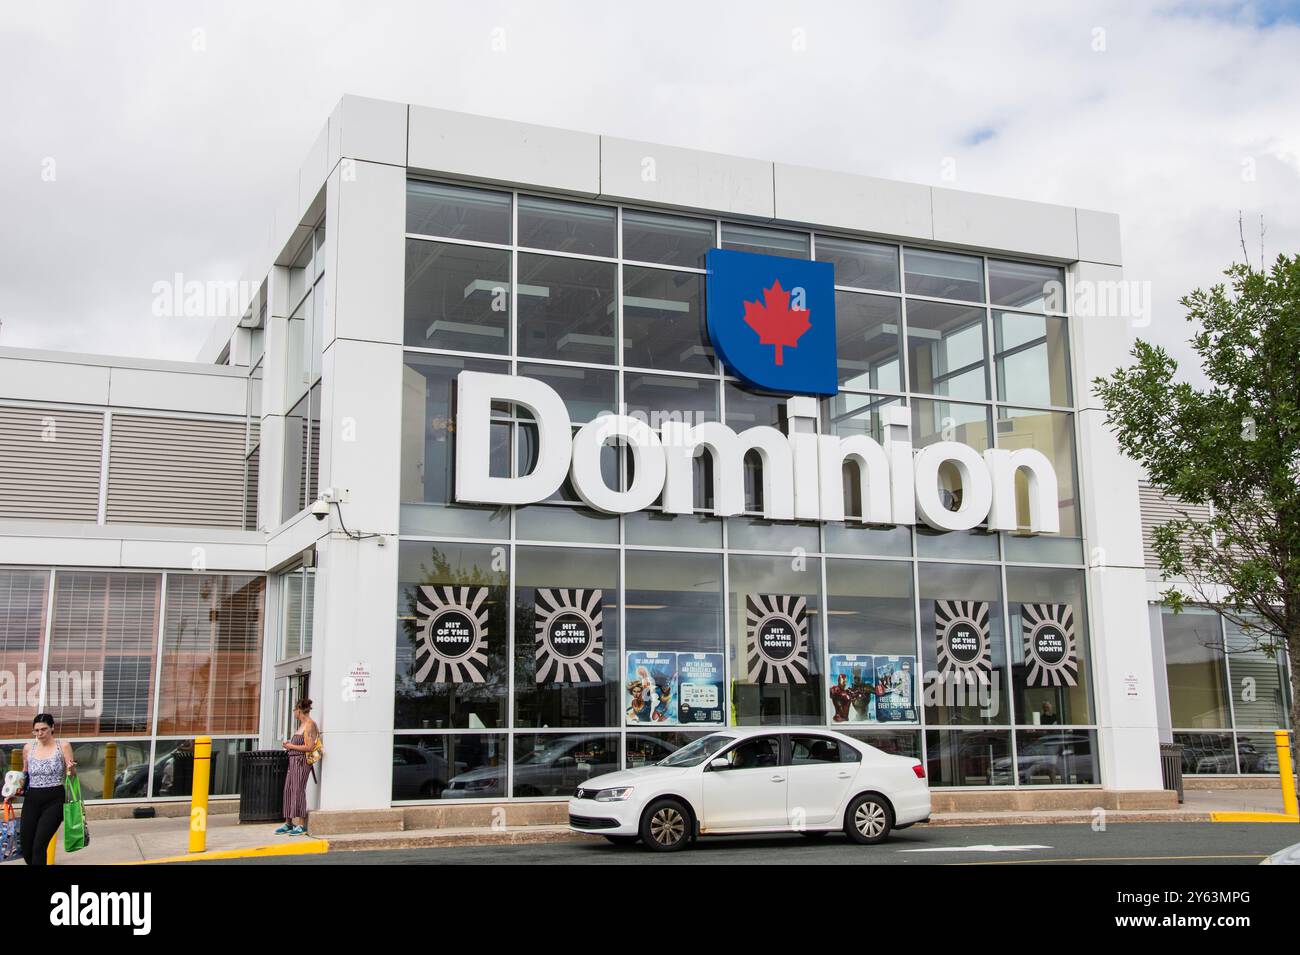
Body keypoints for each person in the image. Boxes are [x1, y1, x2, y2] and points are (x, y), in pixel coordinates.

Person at [19, 714, 76, 865]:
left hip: (55, 798)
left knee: (39, 846)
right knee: (26, 846)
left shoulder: (62, 746)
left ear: (52, 728)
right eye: (36, 730)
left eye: (43, 729)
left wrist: (72, 770)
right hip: (32, 799)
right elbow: (24, 773)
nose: (40, 733)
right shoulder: (28, 748)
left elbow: (71, 776)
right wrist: (13, 790)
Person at [277, 699, 319, 835]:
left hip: (301, 762)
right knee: (288, 789)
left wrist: (290, 746)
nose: (294, 712)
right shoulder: (301, 725)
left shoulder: (309, 725)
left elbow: (309, 746)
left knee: (298, 790)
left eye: (294, 710)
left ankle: (301, 824)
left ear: (299, 710)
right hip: (292, 761)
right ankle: (288, 822)